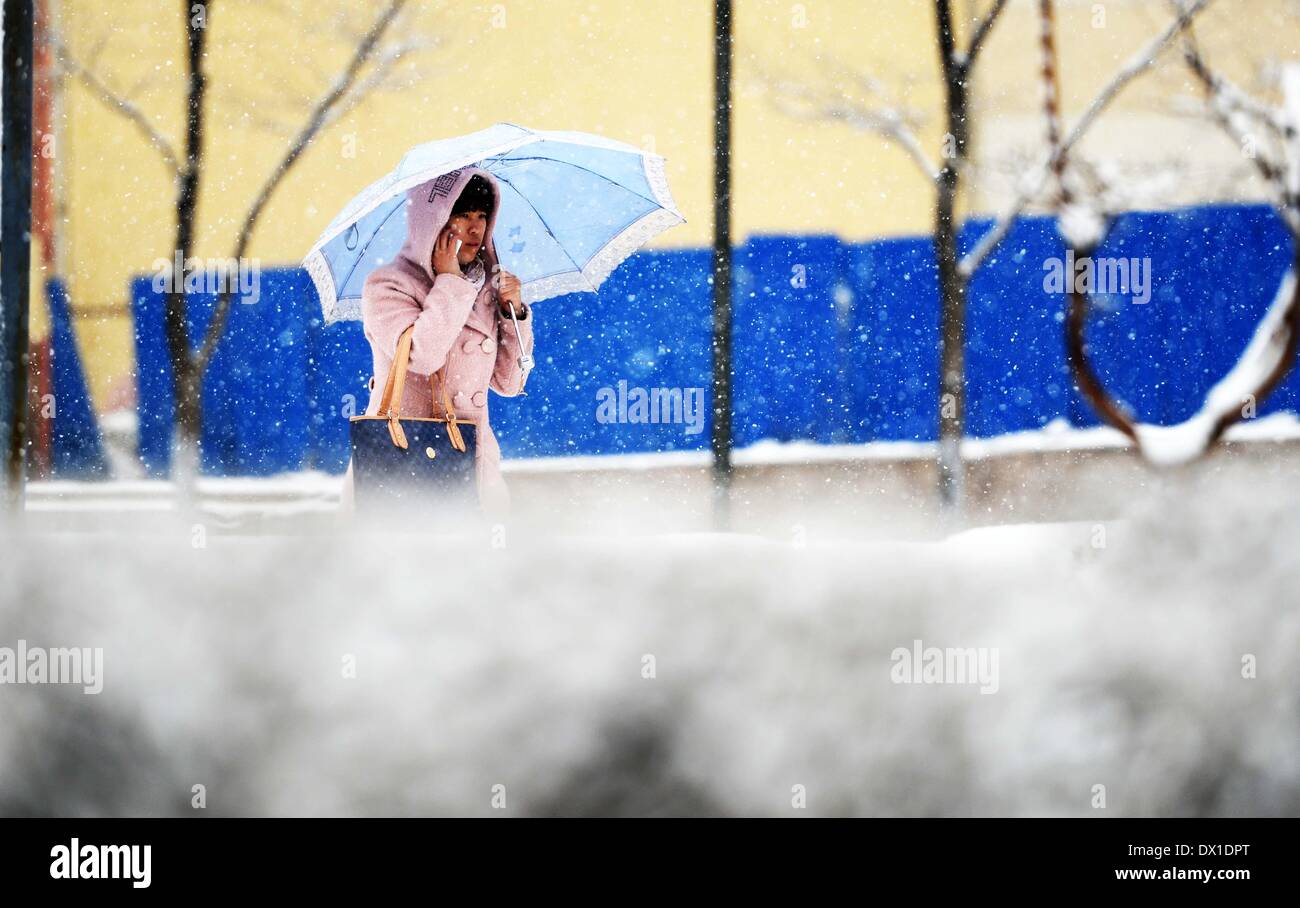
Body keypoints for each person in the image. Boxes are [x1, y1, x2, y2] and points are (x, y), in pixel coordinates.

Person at [339, 168, 534, 522]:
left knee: (479, 571)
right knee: (408, 572)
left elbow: (509, 383)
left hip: (473, 465)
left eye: (482, 216)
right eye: (462, 215)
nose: (476, 228)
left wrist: (514, 312)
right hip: (404, 460)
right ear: (434, 220)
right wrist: (449, 283)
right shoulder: (387, 287)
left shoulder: (484, 286)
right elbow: (423, 357)